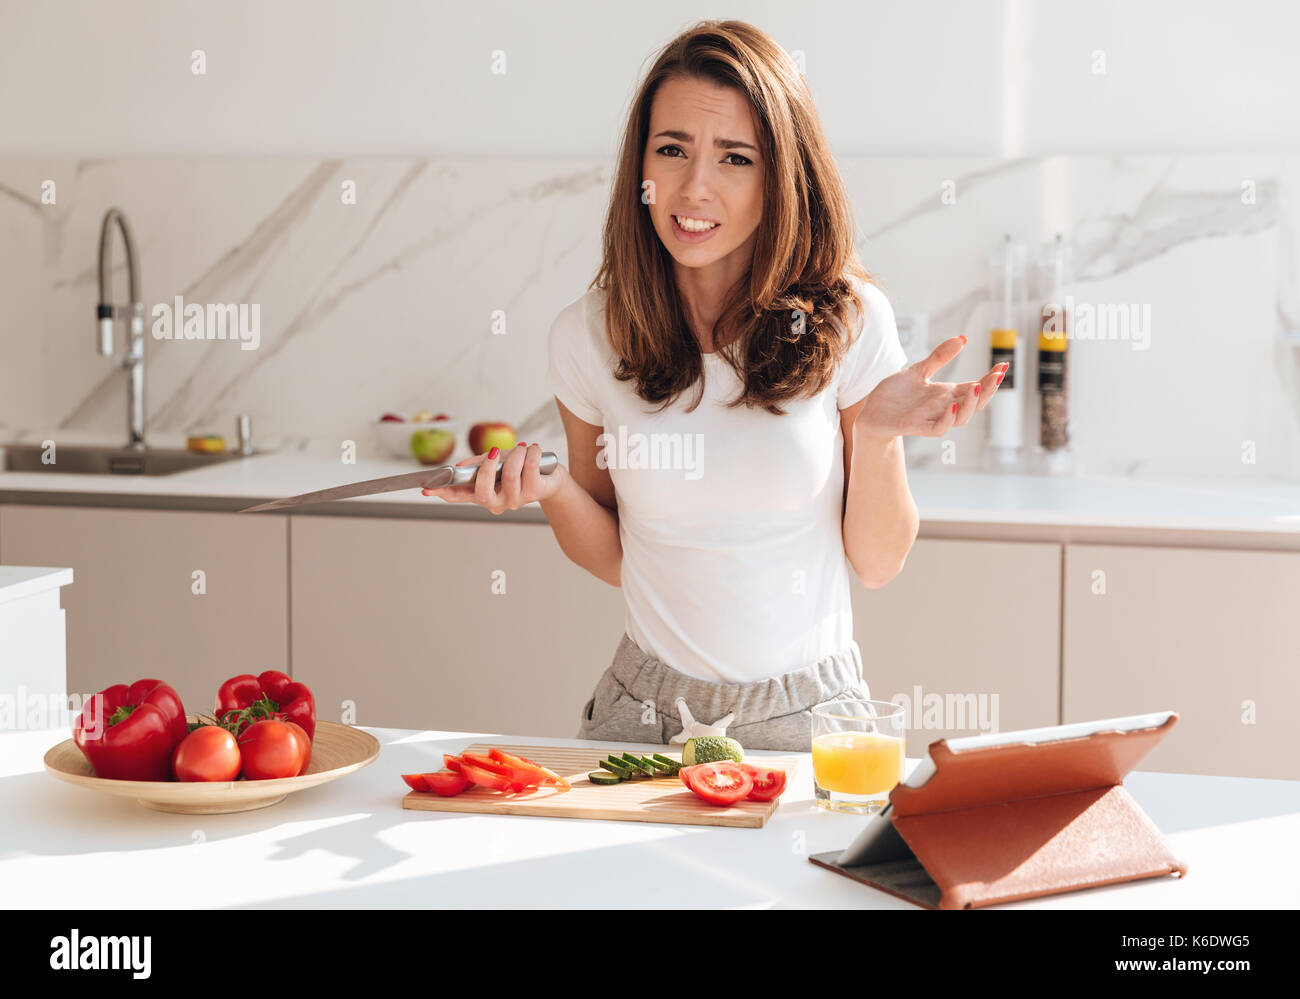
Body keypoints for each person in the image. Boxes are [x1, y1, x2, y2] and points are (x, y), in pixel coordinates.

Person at [421, 20, 1006, 751]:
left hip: (810, 718)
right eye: (672, 151)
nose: (693, 188)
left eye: (735, 158)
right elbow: (617, 556)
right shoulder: (587, 335)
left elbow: (878, 563)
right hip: (643, 714)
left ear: (780, 179)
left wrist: (879, 435)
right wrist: (555, 492)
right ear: (642, 168)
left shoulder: (848, 320)